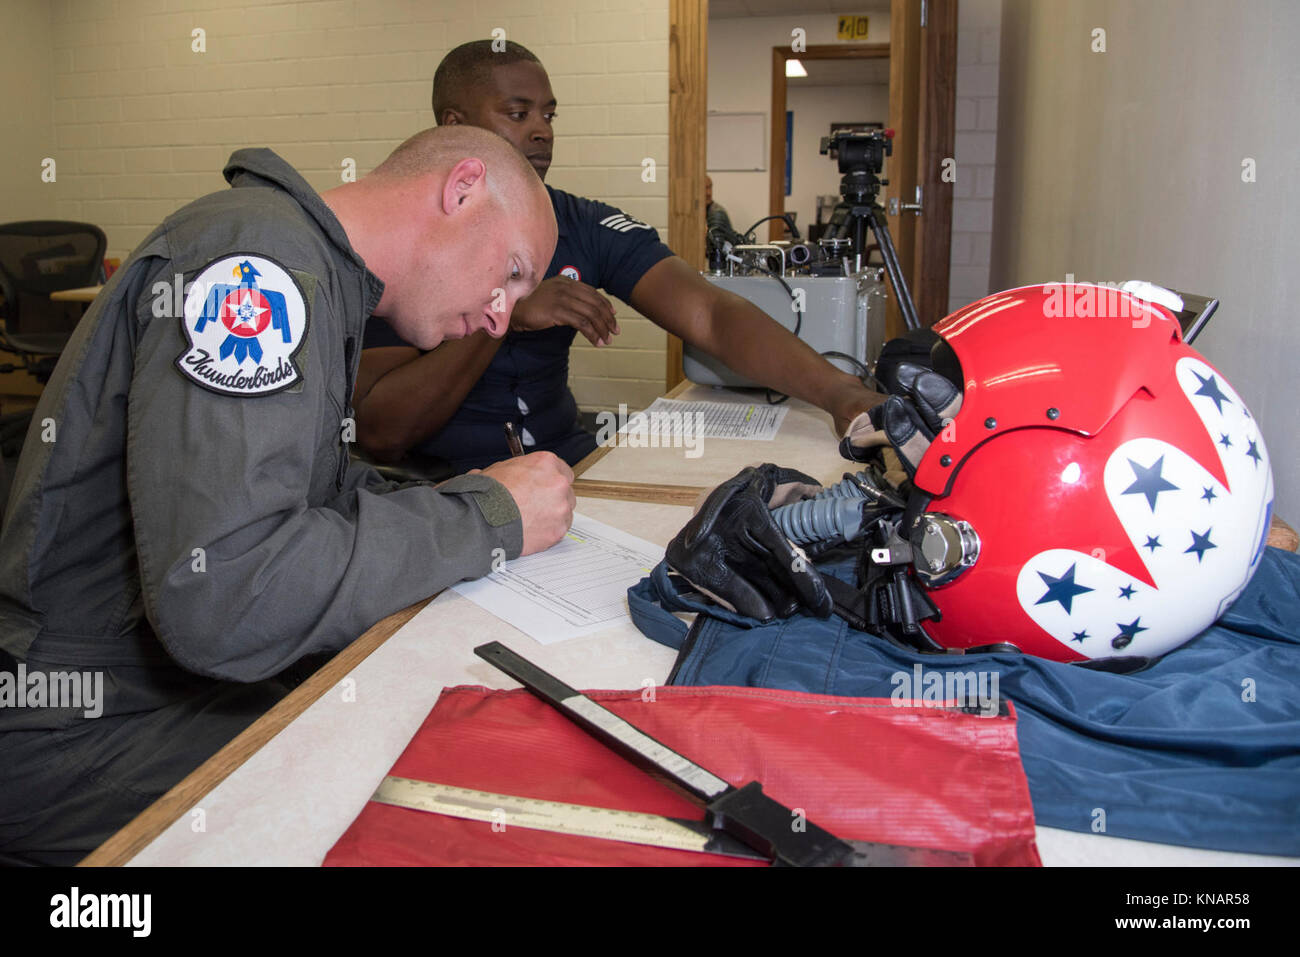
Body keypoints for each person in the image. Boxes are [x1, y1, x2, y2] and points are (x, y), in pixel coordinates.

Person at [0, 125, 573, 864]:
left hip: (145, 689)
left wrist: (471, 498)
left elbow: (313, 496)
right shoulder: (259, 267)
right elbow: (228, 589)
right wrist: (485, 519)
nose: (501, 314)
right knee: (415, 801)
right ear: (461, 190)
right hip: (79, 726)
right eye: (514, 271)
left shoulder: (315, 274)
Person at [355, 40, 887, 474]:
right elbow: (384, 435)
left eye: (548, 113)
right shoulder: (401, 239)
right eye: (518, 114)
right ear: (453, 125)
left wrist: (842, 393)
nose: (542, 129)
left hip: (563, 462)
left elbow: (711, 314)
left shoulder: (581, 223)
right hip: (443, 485)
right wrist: (504, 317)